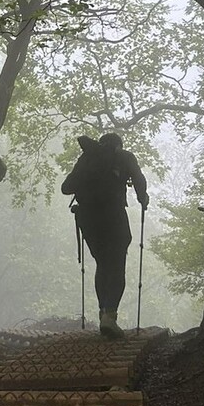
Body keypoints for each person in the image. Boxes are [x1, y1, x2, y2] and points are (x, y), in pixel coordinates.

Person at [61, 132, 149, 339]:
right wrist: (142, 198)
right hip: (114, 216)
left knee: (103, 264)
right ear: (118, 145)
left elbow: (66, 188)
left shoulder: (87, 158)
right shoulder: (125, 156)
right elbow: (139, 179)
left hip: (88, 219)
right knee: (116, 263)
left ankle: (103, 312)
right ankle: (110, 316)